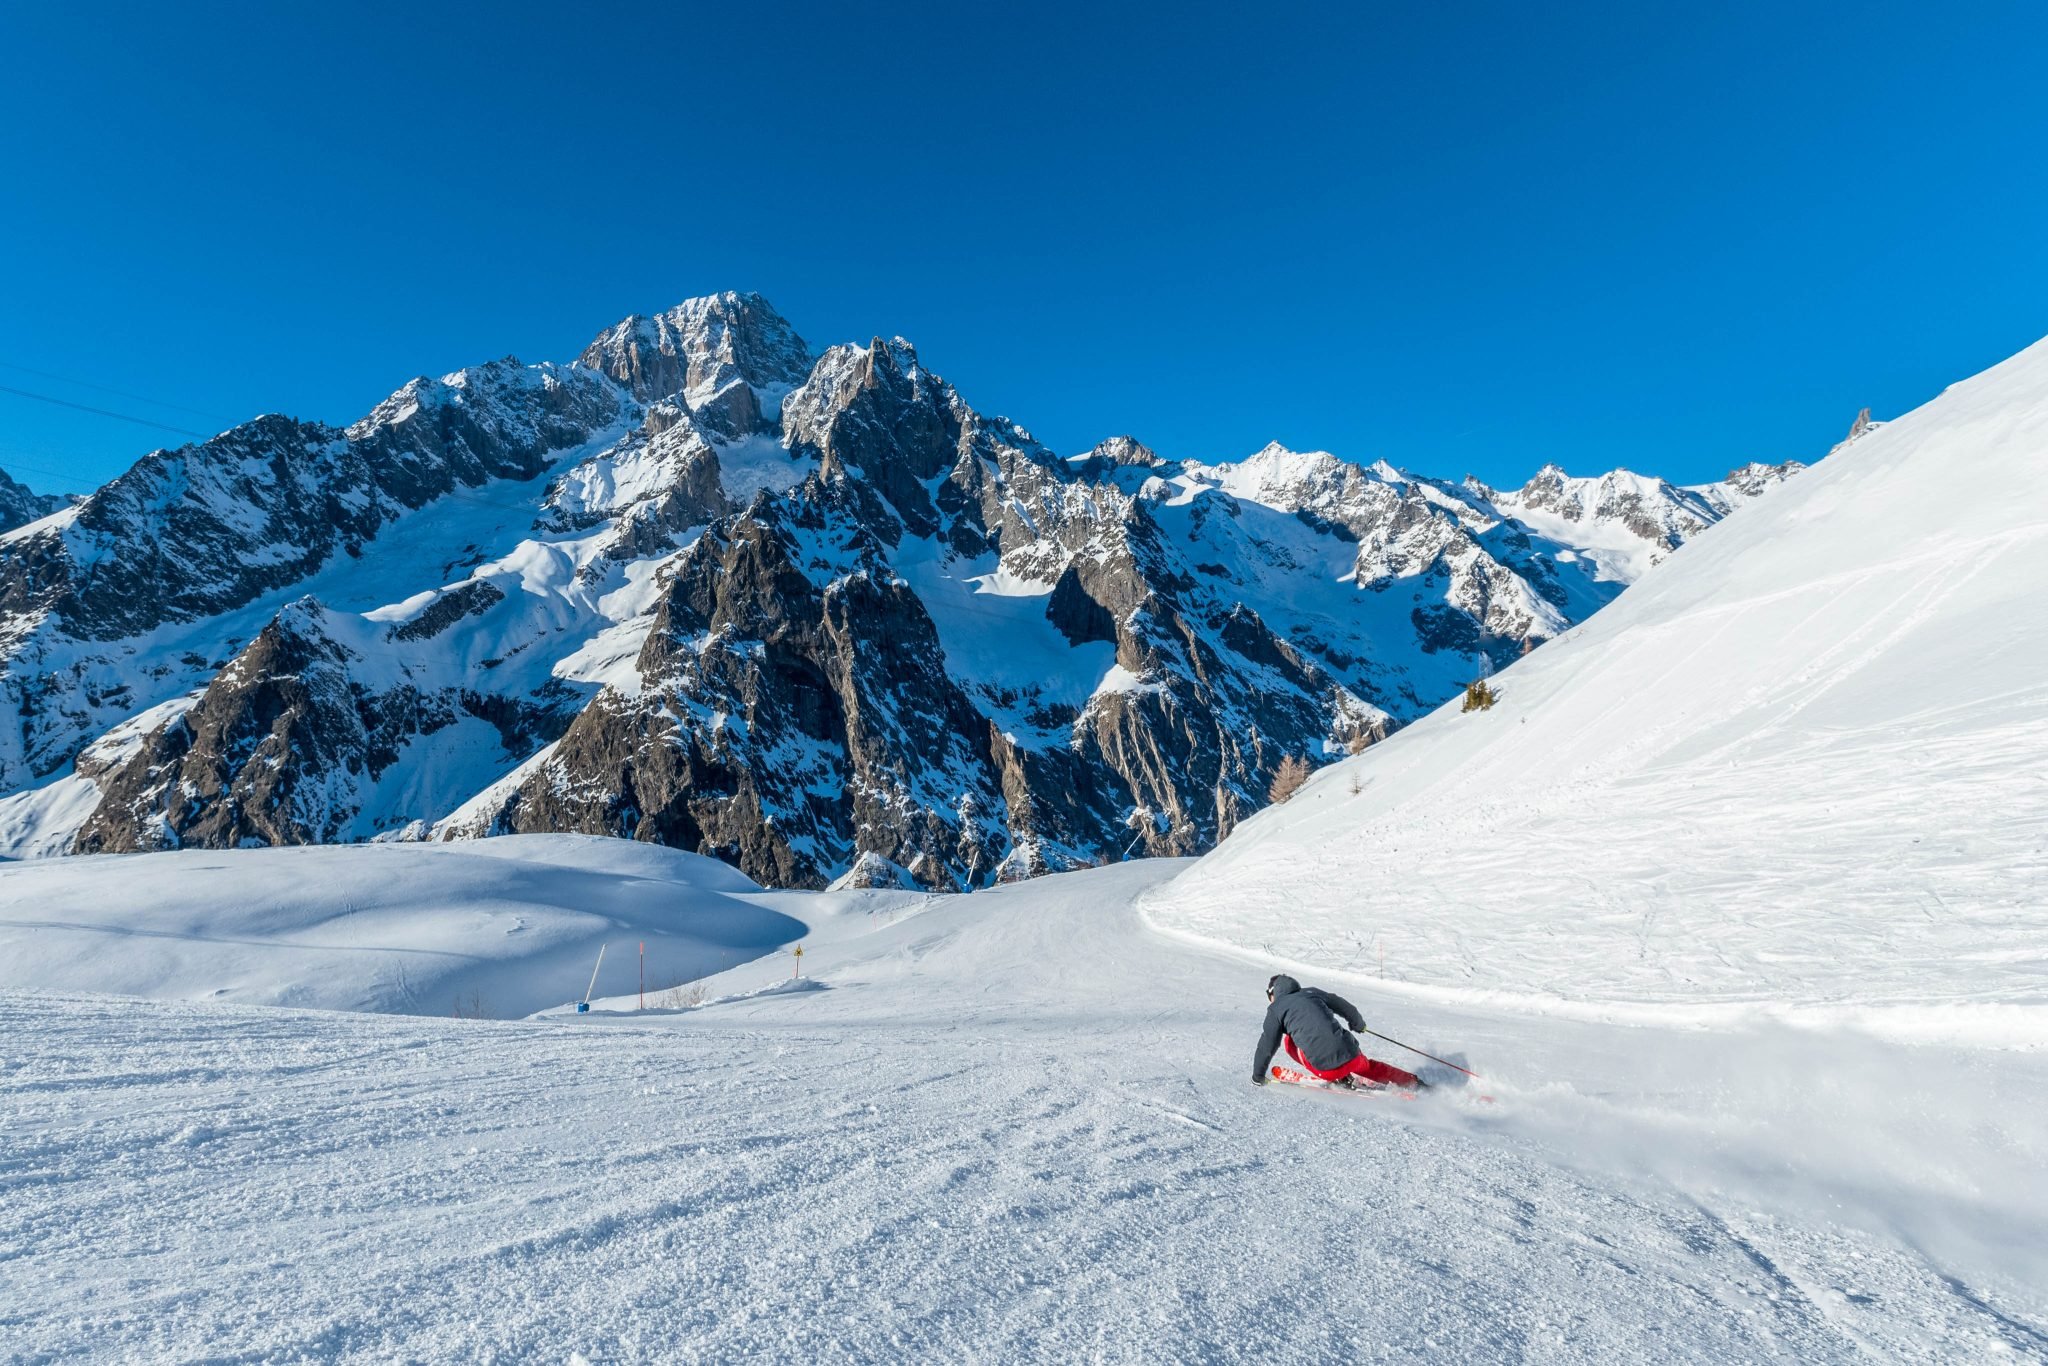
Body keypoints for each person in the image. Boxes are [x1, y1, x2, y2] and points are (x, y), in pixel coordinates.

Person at [1252, 974, 1425, 1089]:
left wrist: (1258, 1075)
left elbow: (1267, 1044)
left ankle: (1337, 1076)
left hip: (1326, 1069)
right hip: (1352, 1055)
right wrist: (1358, 1024)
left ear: (1273, 993)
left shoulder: (1276, 1009)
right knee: (1368, 1066)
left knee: (1289, 1041)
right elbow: (1344, 1006)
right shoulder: (1312, 992)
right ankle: (1413, 1083)